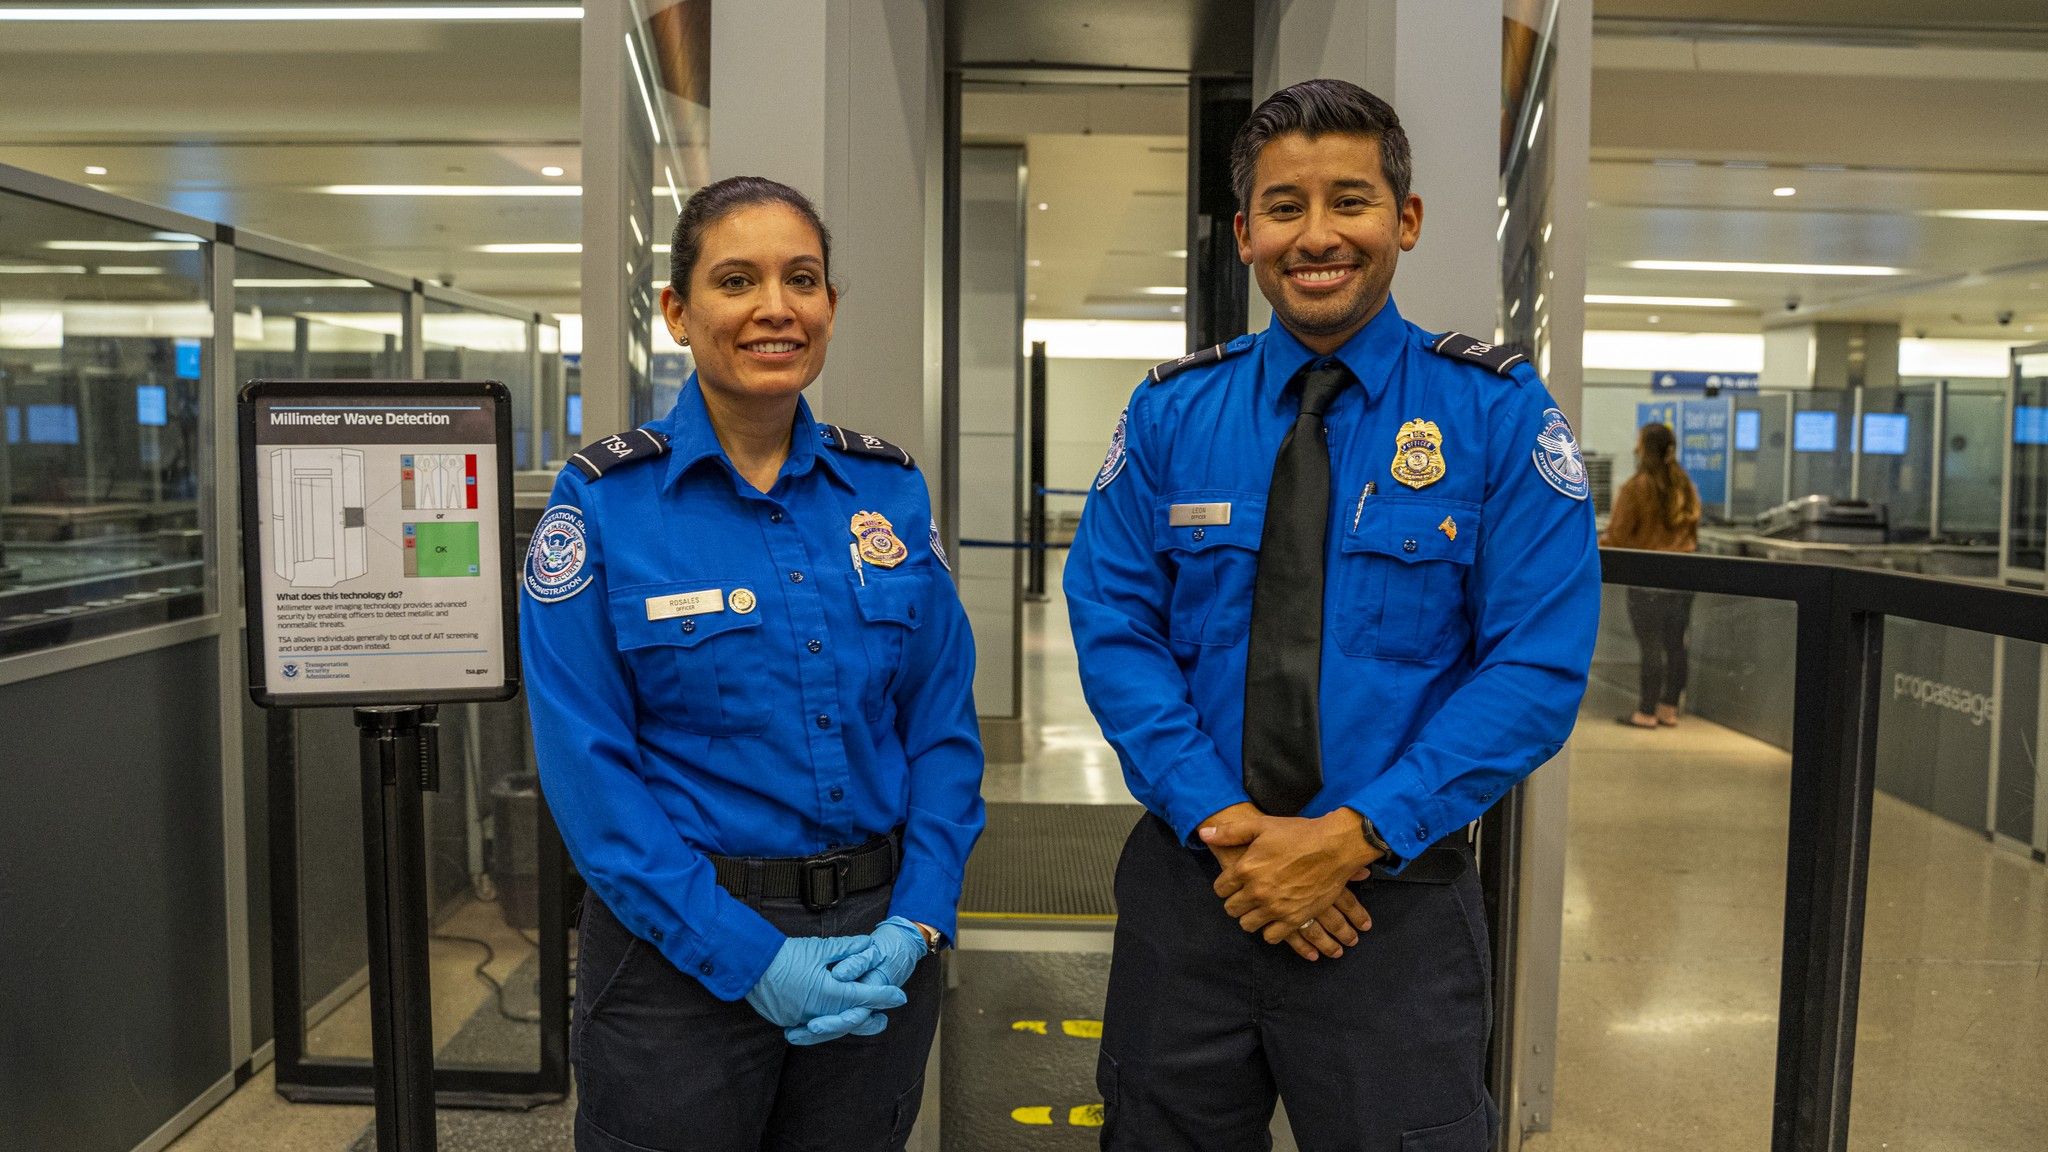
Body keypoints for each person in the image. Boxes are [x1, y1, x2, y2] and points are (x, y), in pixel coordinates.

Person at [1065, 79, 1601, 1150]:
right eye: (1283, 207)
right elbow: (1112, 625)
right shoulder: (1170, 413)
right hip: (1196, 895)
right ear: (1244, 234)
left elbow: (1533, 667)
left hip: (1389, 909)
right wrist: (1228, 826)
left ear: (1402, 220)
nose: (1316, 236)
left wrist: (1350, 839)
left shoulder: (1494, 414)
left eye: (1349, 201)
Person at [520, 175, 984, 1152]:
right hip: (673, 955)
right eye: (737, 280)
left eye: (802, 280)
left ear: (828, 308)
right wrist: (746, 957)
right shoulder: (603, 503)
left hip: (875, 946)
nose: (775, 307)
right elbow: (589, 780)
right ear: (679, 312)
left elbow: (940, 728)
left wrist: (918, 922)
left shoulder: (888, 493)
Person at [1601, 420, 1700, 728]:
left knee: (1651, 645)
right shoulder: (1685, 486)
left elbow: (1618, 536)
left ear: (1643, 448)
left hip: (1647, 577)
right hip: (1684, 574)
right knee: (1676, 643)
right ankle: (1669, 708)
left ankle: (1645, 711)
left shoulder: (1635, 487)